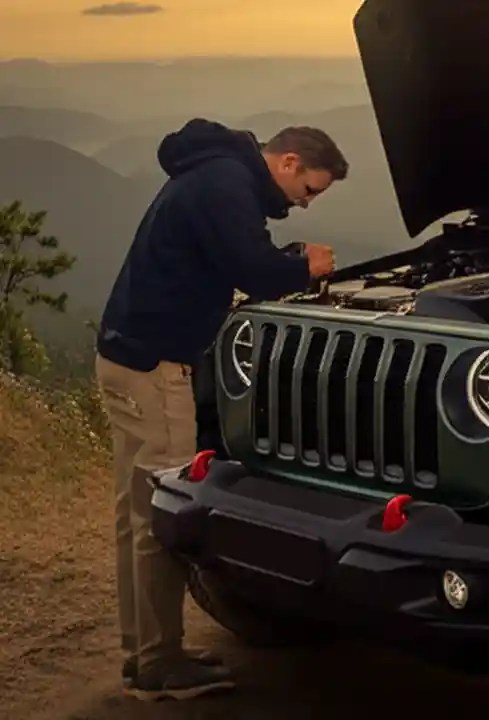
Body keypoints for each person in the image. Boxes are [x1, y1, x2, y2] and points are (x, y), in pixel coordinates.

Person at [93, 118, 346, 701]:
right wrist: (305, 264)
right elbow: (253, 270)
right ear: (287, 162)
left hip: (124, 356)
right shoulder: (228, 184)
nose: (304, 204)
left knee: (136, 516)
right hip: (157, 370)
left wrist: (277, 258)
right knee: (164, 517)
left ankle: (144, 654)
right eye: (309, 189)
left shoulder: (211, 174)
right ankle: (159, 664)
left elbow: (231, 257)